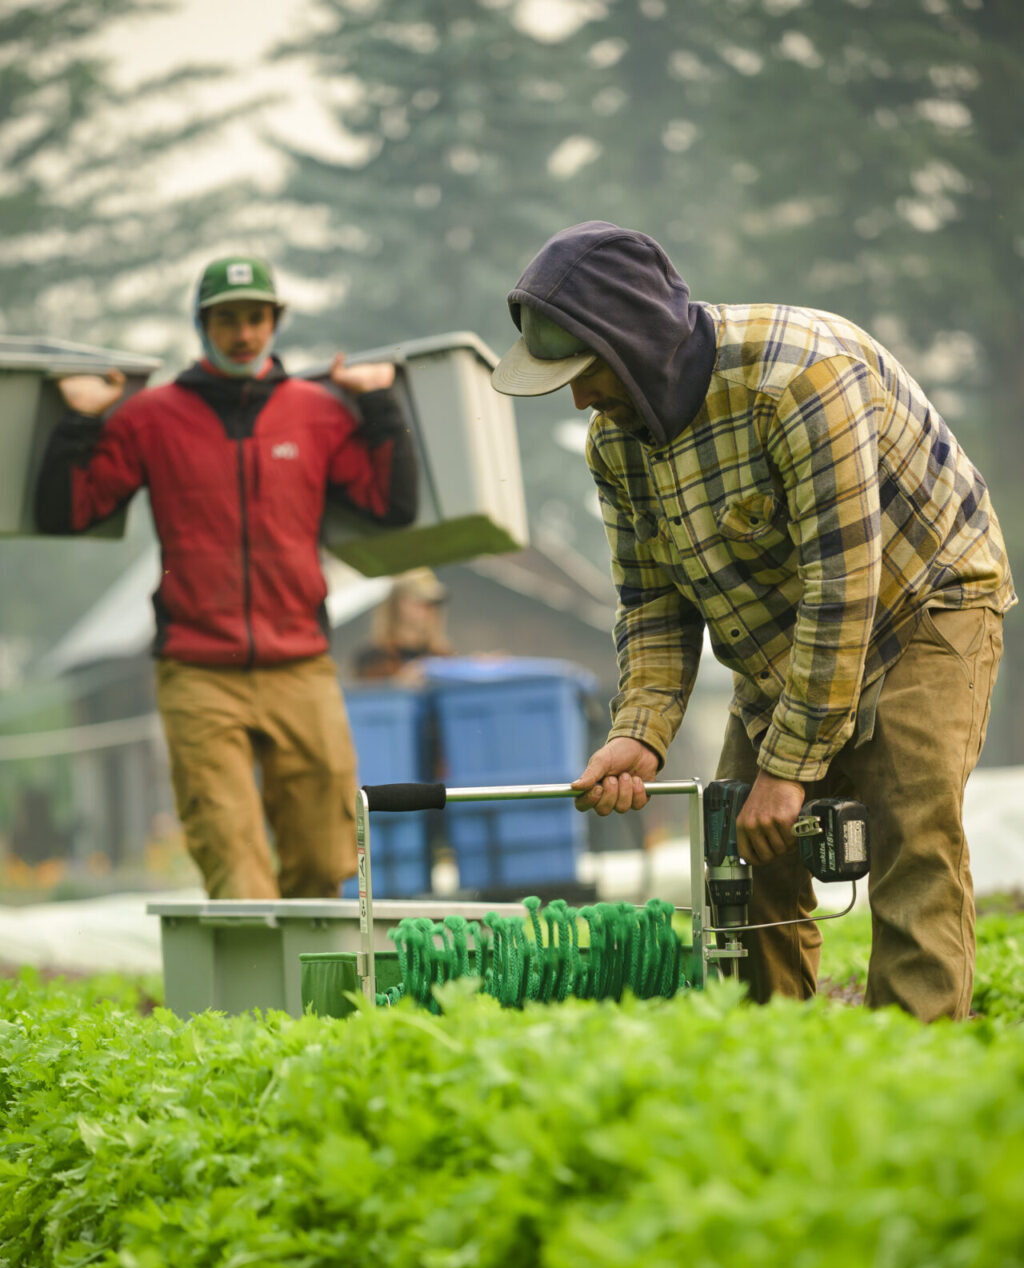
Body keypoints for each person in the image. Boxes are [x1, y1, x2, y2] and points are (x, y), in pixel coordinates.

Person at [491, 220, 1015, 1022]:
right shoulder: (617, 445)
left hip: (923, 600)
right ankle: (774, 1054)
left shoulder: (801, 378)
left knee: (911, 832)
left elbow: (843, 586)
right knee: (741, 847)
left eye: (586, 371)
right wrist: (641, 729)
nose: (578, 396)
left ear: (636, 344)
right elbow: (653, 603)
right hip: (781, 634)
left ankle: (920, 1064)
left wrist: (791, 770)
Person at [35, 254, 417, 900]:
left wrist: (379, 403)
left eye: (256, 317)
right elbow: (69, 510)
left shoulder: (318, 413)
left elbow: (391, 504)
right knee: (235, 867)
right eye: (228, 319)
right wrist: (78, 419)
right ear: (203, 324)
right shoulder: (152, 418)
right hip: (198, 669)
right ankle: (251, 1004)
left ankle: (314, 1002)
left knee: (327, 858)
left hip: (301, 662)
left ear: (275, 321)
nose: (243, 332)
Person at [354, 567, 454, 682]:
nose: (429, 610)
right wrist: (399, 682)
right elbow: (367, 696)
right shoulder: (374, 658)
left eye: (433, 604)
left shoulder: (443, 656)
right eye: (421, 602)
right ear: (399, 603)